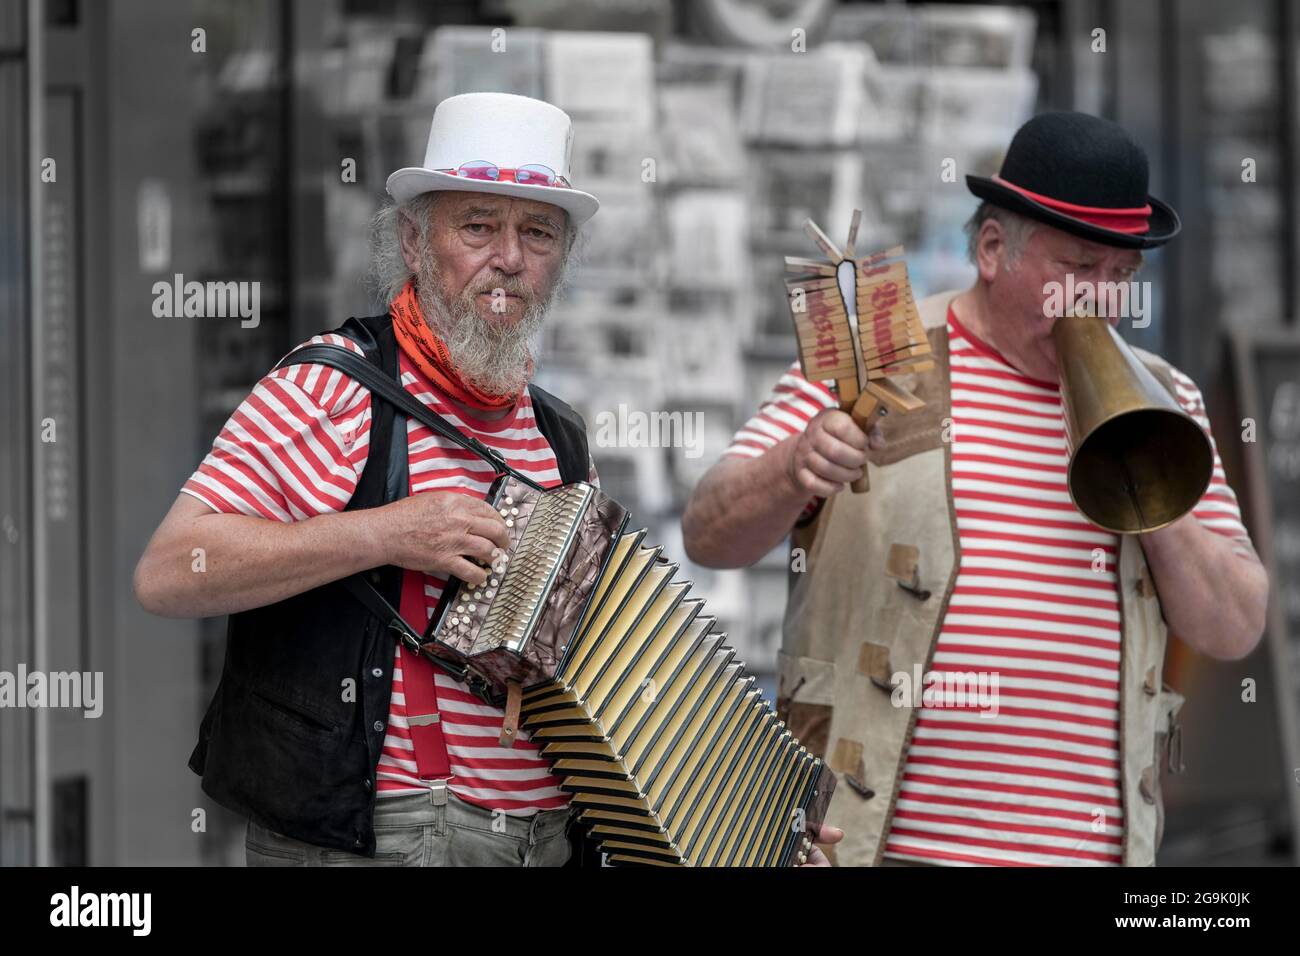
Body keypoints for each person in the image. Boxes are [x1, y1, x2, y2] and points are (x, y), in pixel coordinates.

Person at [682, 111, 1268, 867]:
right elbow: (707, 534)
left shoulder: (1166, 397)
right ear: (994, 249)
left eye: (1122, 276)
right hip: (873, 848)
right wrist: (793, 463)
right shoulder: (879, 354)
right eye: (1079, 268)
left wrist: (1146, 479)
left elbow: (1235, 625)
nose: (1103, 301)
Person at [134, 92, 605, 867]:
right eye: (479, 225)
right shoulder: (336, 389)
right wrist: (386, 533)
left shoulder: (559, 434)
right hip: (388, 841)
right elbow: (168, 573)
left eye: (538, 233)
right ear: (417, 243)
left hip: (542, 844)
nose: (510, 259)